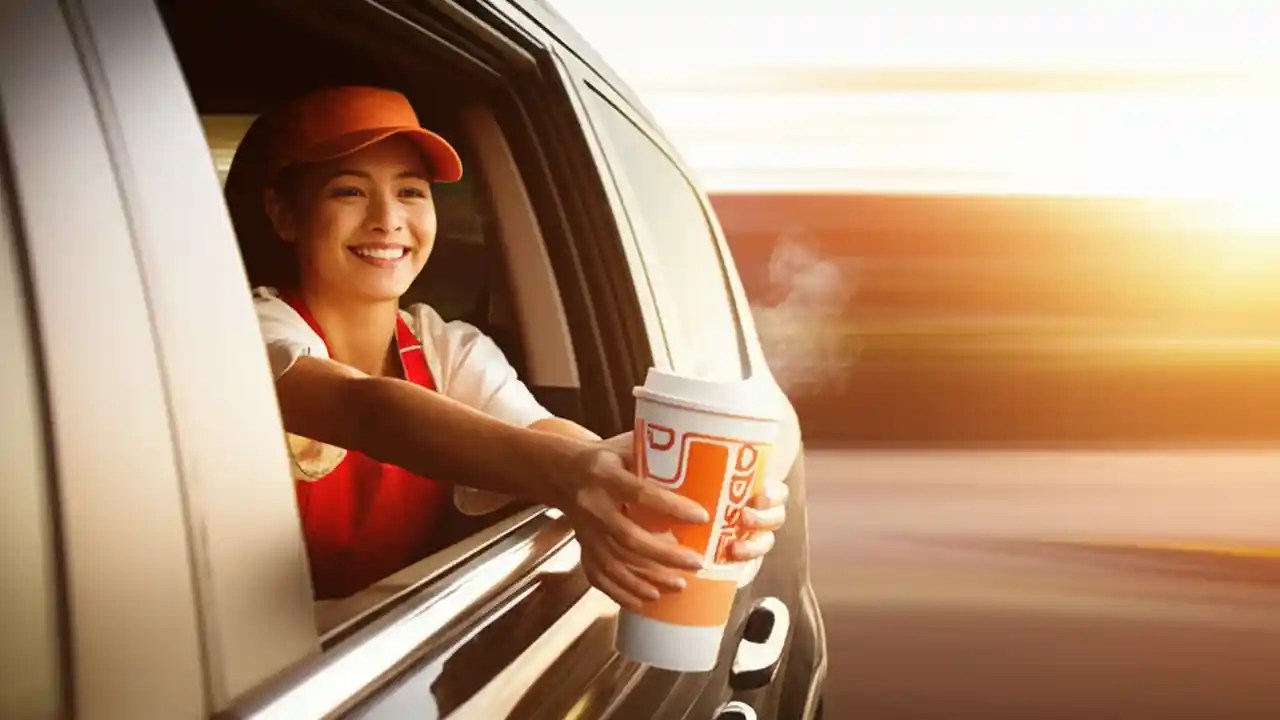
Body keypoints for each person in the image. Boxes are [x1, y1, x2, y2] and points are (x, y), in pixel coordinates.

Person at [222, 86, 788, 607]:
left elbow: (543, 435)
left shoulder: (445, 347)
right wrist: (574, 472)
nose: (387, 220)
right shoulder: (248, 331)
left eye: (410, 192)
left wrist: (671, 490)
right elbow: (363, 407)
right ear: (284, 214)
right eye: (349, 191)